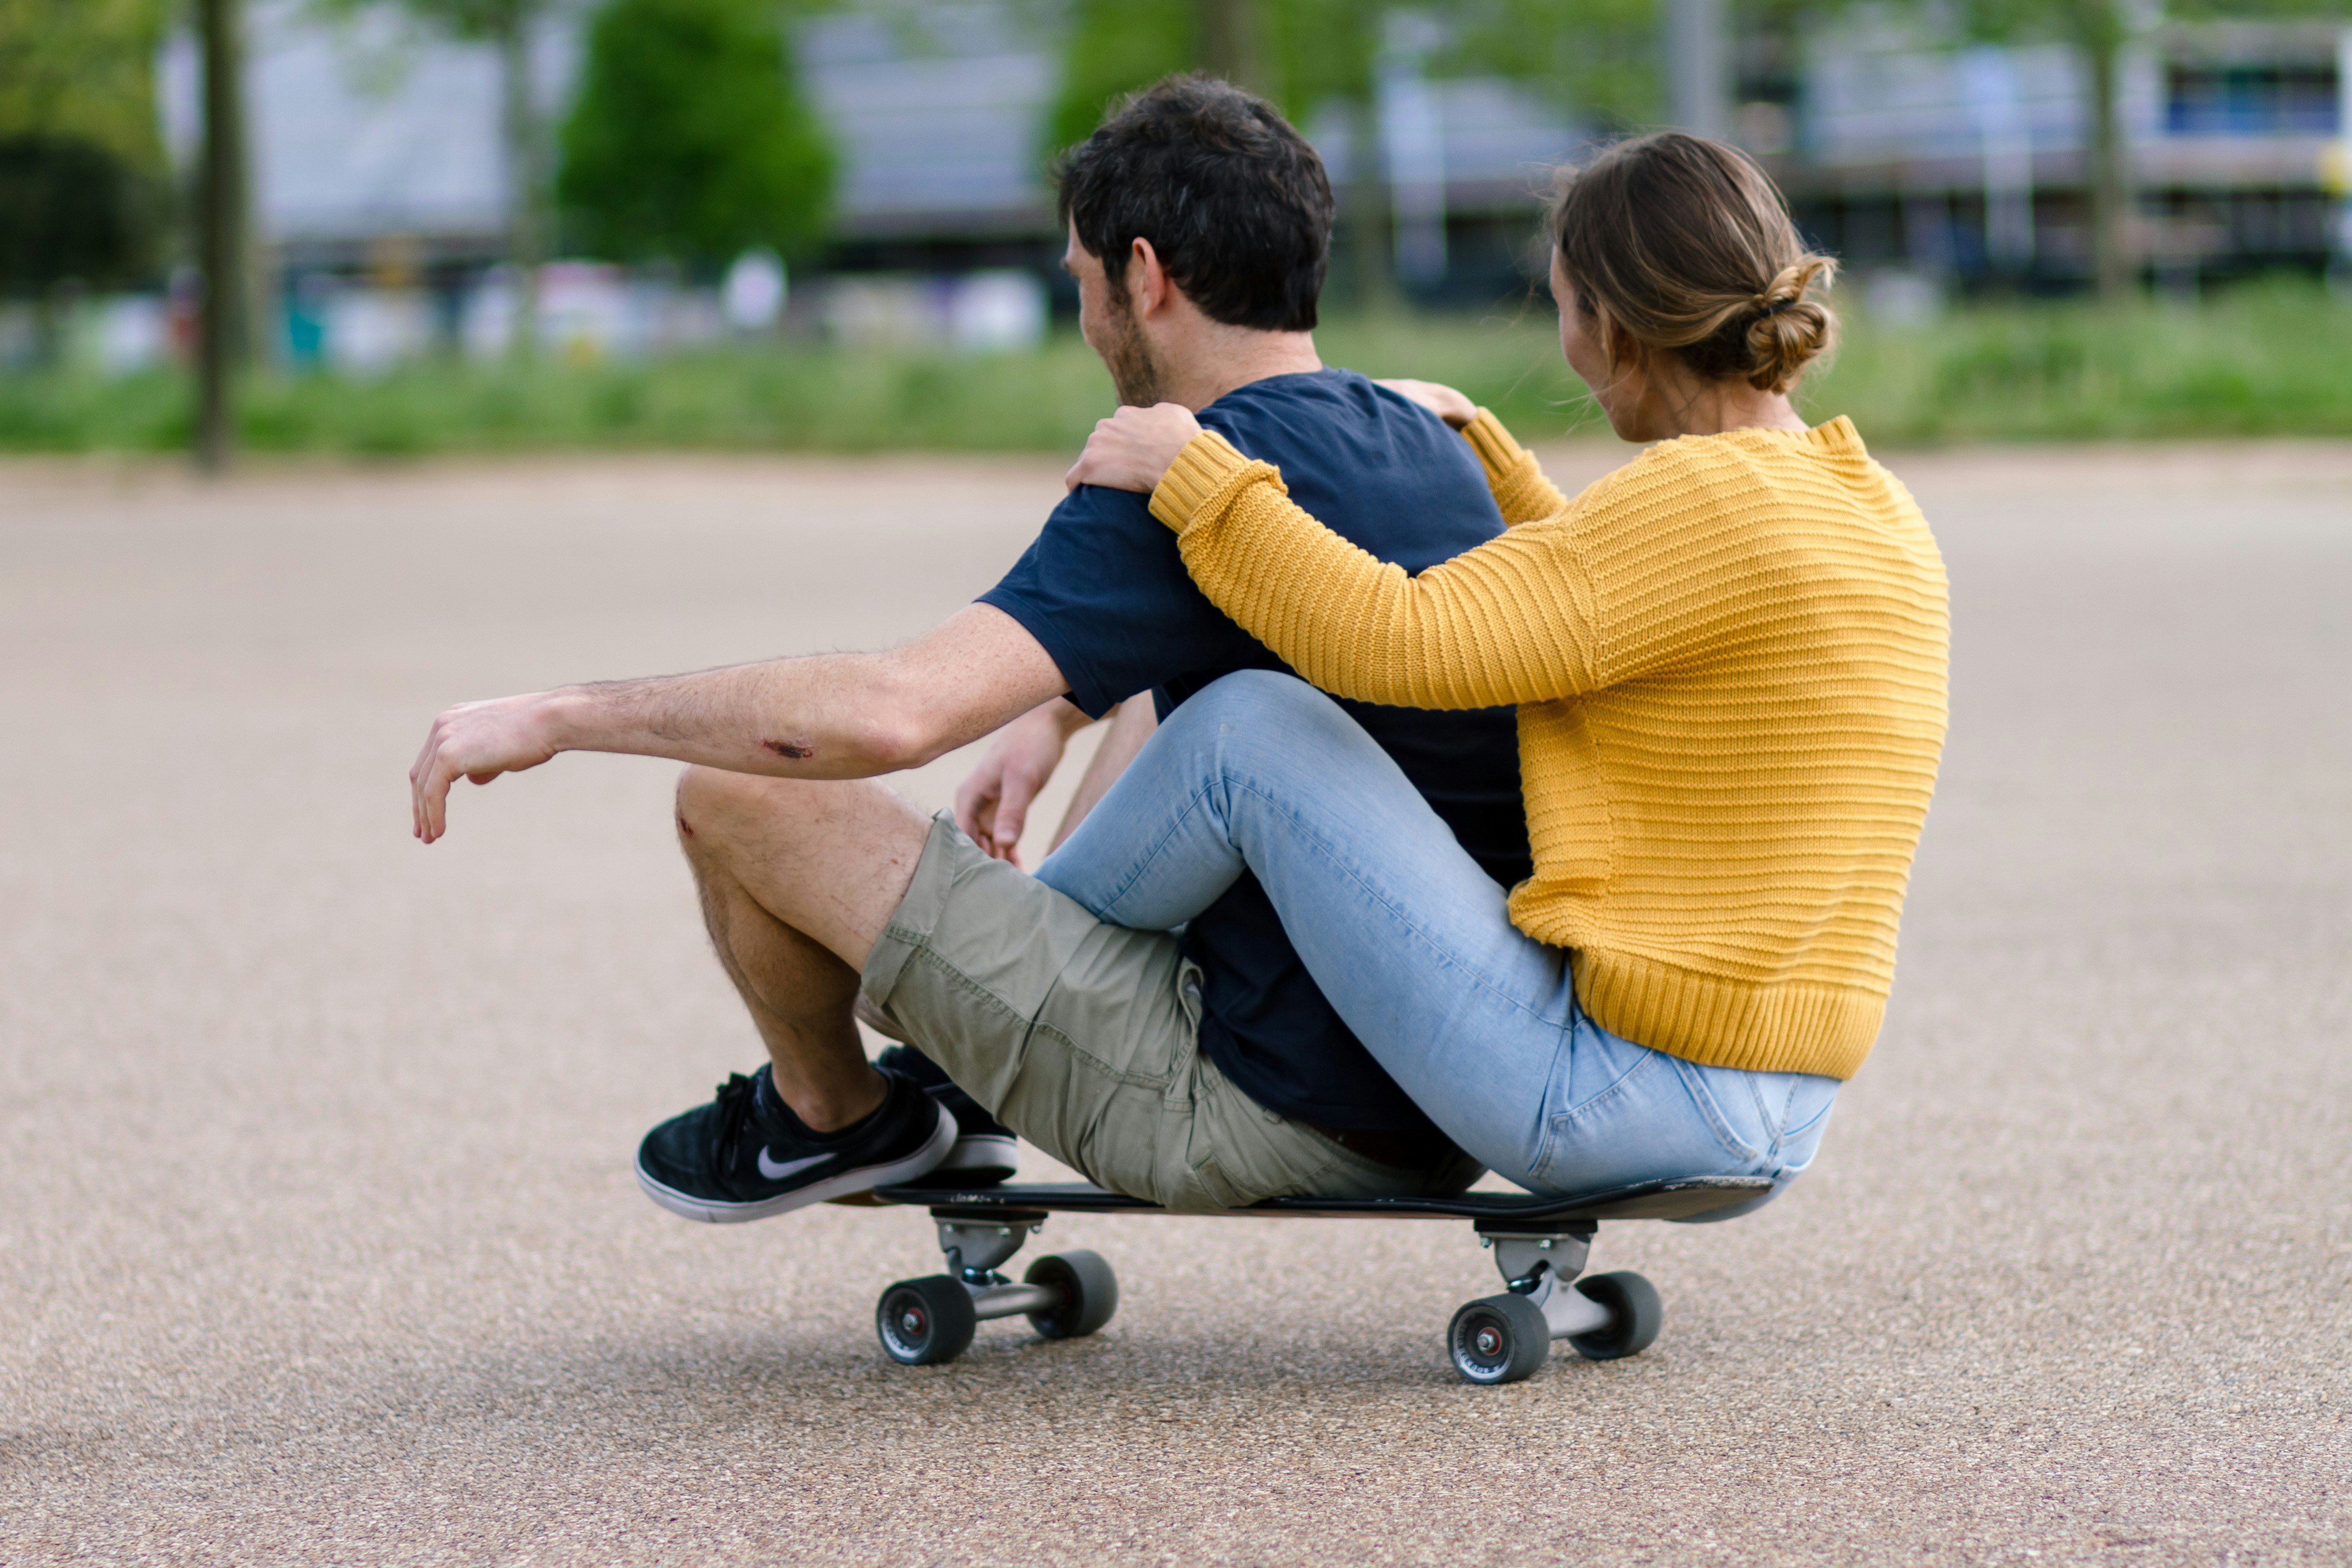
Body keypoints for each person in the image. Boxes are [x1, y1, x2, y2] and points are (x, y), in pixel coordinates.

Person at [406, 76, 1521, 1218]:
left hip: (1263, 1105)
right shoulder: (1424, 435)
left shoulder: (1185, 471)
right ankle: (958, 1074)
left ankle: (830, 1118)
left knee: (740, 794)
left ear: (1146, 276)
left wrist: (559, 715)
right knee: (1191, 685)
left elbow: (889, 714)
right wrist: (1051, 715)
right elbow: (1244, 617)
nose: (1089, 321)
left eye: (1085, 284)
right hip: (1444, 1089)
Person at [1049, 131, 1952, 1207]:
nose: (1564, 340)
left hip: (1616, 1092)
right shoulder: (1865, 503)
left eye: (1563, 306)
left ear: (1612, 325)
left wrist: (1200, 478)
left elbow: (1400, 639)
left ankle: (991, 979)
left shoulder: (1696, 502)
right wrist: (1491, 452)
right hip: (1773, 1102)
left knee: (1250, 730)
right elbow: (1635, 608)